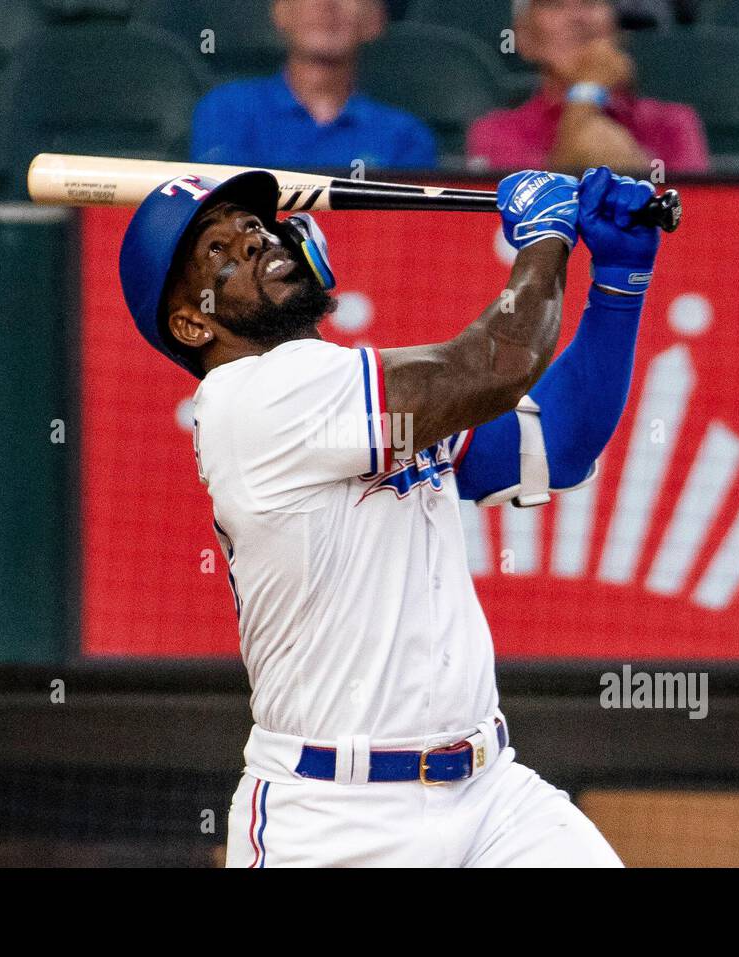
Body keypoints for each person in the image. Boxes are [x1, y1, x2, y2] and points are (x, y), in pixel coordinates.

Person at [117, 164, 666, 867]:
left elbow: (559, 441)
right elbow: (495, 366)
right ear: (192, 321)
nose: (252, 242)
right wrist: (545, 238)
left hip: (490, 794)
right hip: (335, 818)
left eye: (253, 226)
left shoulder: (358, 395)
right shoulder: (250, 400)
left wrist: (620, 283)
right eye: (216, 252)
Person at [467, 0, 709, 176]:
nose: (577, 17)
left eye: (591, 2)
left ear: (616, 29)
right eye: (554, 5)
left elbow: (690, 222)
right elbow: (546, 214)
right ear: (524, 37)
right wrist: (588, 90)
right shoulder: (496, 133)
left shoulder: (674, 124)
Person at [189, 0, 437, 171]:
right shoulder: (226, 110)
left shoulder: (406, 137)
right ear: (280, 11)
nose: (327, 5)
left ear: (375, 19)